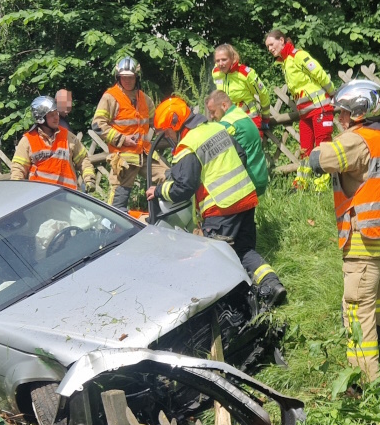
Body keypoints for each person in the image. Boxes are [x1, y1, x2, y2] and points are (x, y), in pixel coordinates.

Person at [309, 79, 380, 384]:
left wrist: (319, 142)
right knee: (378, 291)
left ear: (357, 113)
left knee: (356, 306)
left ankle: (365, 379)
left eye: (341, 113)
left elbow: (319, 161)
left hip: (365, 238)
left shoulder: (355, 140)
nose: (339, 119)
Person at [148, 97, 286, 308]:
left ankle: (238, 307)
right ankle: (272, 286)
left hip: (221, 208)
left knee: (218, 261)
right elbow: (240, 154)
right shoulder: (216, 128)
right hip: (246, 199)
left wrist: (158, 190)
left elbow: (183, 188)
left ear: (176, 124)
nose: (167, 137)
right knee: (244, 251)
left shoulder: (188, 144)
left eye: (166, 131)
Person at [264, 29, 334, 192]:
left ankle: (321, 185)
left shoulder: (298, 56)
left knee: (322, 147)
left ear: (282, 40)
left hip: (320, 107)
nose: (269, 49)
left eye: (271, 44)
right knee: (305, 149)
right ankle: (301, 183)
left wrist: (332, 93)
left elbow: (319, 73)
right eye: (267, 46)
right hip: (305, 112)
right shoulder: (285, 62)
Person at [92, 56, 164, 211]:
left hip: (145, 153)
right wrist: (122, 139)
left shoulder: (145, 99)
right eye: (124, 78)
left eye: (131, 77)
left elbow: (156, 122)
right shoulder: (110, 97)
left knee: (167, 177)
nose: (128, 81)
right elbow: (97, 124)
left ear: (136, 78)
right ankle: (110, 229)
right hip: (123, 157)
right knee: (119, 198)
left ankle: (163, 218)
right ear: (118, 77)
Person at [10, 95, 93, 191]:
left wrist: (89, 179)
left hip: (68, 195)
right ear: (41, 118)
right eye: (51, 115)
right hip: (40, 198)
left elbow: (83, 160)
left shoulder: (68, 136)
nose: (56, 117)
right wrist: (17, 190)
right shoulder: (27, 141)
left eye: (56, 113)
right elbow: (18, 169)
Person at [206, 90, 269, 197]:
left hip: (247, 182)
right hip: (260, 176)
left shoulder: (227, 124)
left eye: (213, 112)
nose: (211, 116)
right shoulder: (241, 114)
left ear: (224, 105)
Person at [211, 43, 270, 129]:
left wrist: (266, 118)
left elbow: (263, 93)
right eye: (217, 60)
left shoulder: (246, 73)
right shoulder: (215, 73)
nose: (220, 63)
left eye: (224, 60)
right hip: (229, 121)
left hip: (249, 120)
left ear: (232, 58)